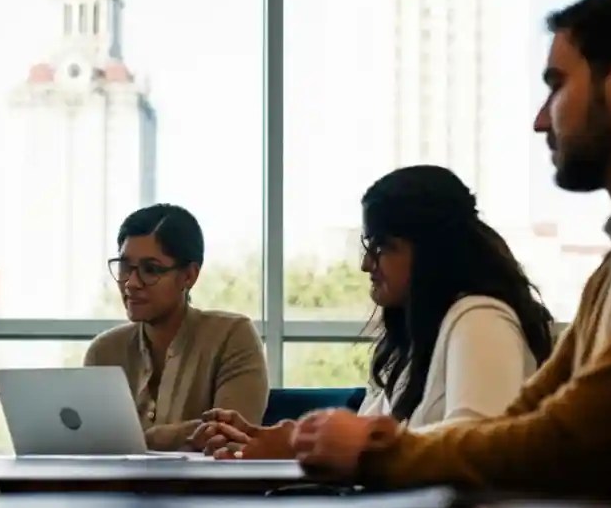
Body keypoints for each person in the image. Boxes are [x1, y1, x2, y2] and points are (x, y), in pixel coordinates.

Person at [291, 0, 611, 501]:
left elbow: (573, 441)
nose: (540, 120)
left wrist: (374, 452)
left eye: (556, 85)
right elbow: (526, 417)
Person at [196, 166, 554, 458]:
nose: (367, 264)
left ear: (433, 251)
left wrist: (316, 445)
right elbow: (371, 441)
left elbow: (477, 447)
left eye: (381, 246)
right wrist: (289, 443)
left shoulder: (481, 320)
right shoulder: (413, 342)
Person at [83, 204, 269, 450]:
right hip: (117, 478)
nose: (131, 283)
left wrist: (145, 439)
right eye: (125, 267)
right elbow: (91, 443)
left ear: (189, 276)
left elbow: (228, 435)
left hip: (208, 477)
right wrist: (185, 434)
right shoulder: (104, 351)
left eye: (151, 270)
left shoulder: (232, 336)